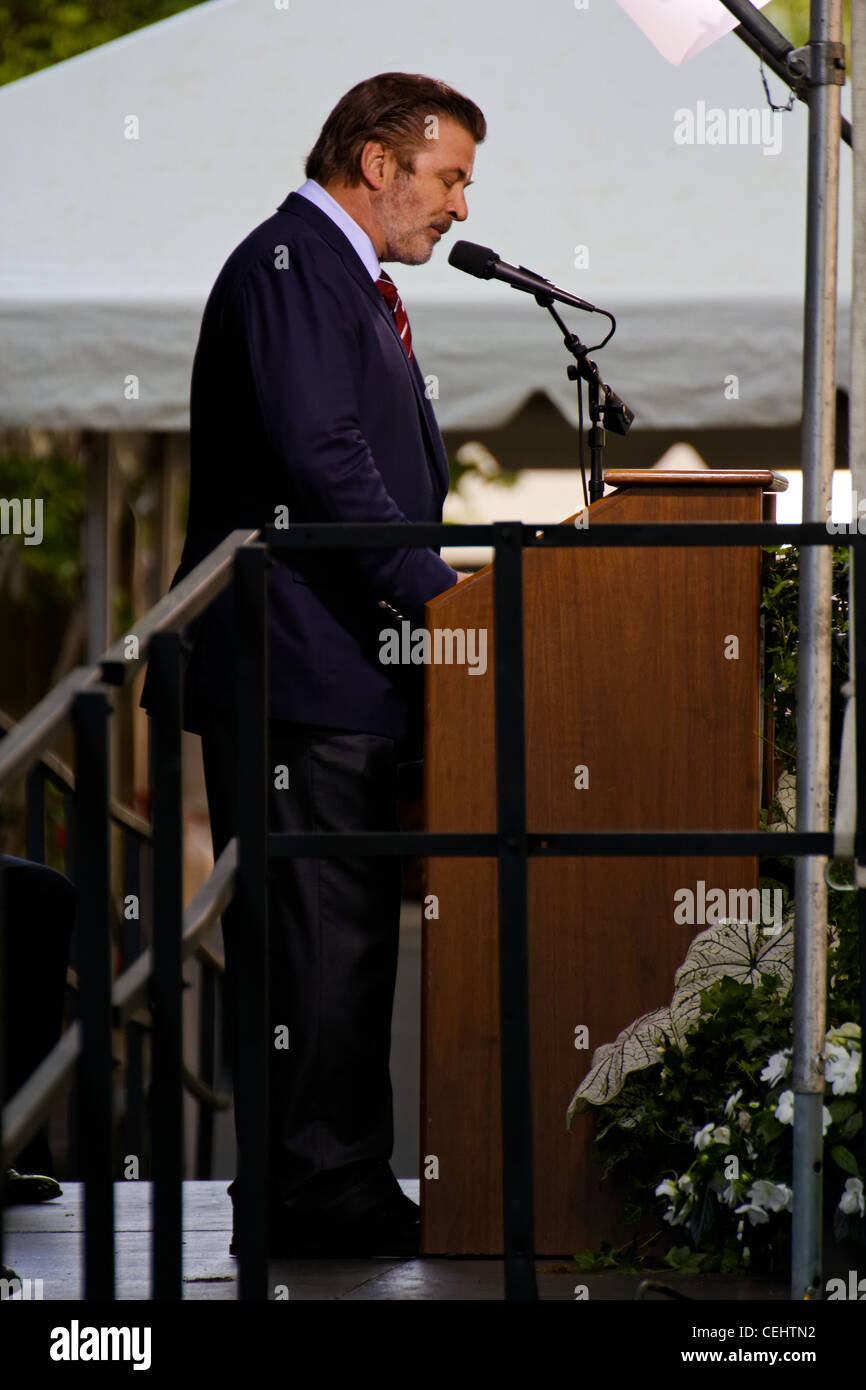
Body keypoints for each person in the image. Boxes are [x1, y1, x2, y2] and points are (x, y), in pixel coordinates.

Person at [140, 71, 486, 1256]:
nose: (456, 206)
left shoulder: (341, 275)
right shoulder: (292, 263)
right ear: (377, 163)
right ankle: (310, 1195)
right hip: (297, 672)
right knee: (313, 949)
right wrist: (442, 597)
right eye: (446, 178)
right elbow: (323, 457)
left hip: (341, 669)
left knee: (339, 945)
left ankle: (332, 1183)